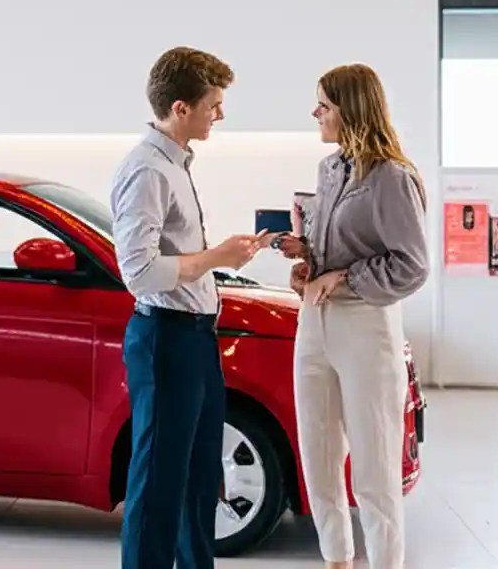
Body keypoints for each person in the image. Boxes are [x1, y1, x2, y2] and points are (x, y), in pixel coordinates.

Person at [110, 46, 266, 569]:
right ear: (181, 108)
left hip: (194, 339)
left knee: (200, 481)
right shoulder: (148, 170)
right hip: (166, 341)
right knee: (158, 486)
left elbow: (177, 258)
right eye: (213, 104)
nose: (219, 114)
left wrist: (220, 260)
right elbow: (139, 273)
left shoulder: (175, 165)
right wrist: (216, 256)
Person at [278, 64, 429, 569]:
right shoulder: (329, 169)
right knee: (318, 456)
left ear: (350, 107)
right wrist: (308, 263)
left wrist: (342, 279)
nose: (315, 113)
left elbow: (412, 265)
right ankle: (336, 559)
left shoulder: (392, 176)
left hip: (366, 325)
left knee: (374, 465)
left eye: (323, 104)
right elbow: (333, 251)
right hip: (314, 322)